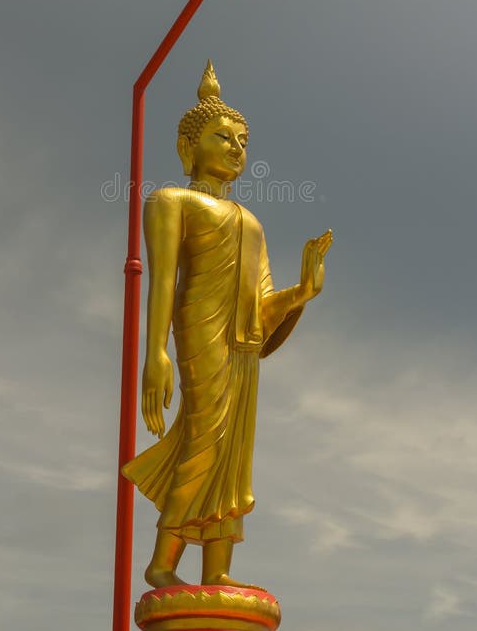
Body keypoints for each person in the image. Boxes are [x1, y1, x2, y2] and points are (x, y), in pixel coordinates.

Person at [123, 61, 332, 588]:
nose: (237, 148)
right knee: (206, 437)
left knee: (235, 452)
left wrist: (301, 292)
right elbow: (162, 281)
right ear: (188, 146)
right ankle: (162, 563)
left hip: (243, 344)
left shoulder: (251, 223)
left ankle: (216, 569)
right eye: (224, 136)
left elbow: (262, 308)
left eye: (243, 141)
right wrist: (156, 352)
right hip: (199, 329)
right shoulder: (170, 202)